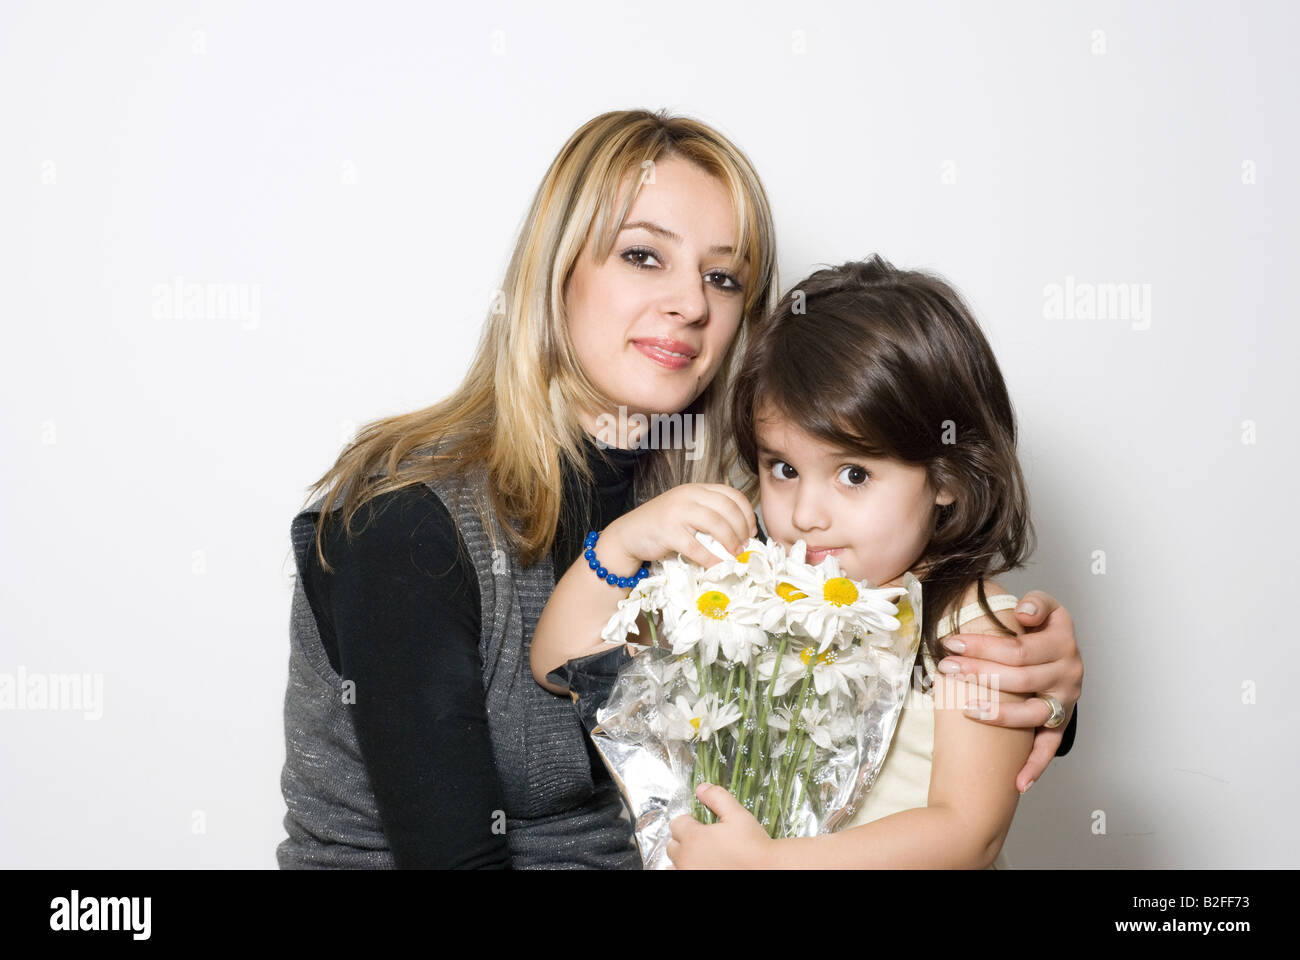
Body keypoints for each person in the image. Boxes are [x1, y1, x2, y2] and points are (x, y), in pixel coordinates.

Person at [277, 108, 1082, 869]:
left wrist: (1037, 689)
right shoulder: (407, 522)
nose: (691, 304)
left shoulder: (743, 516)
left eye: (725, 279)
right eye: (642, 256)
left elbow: (888, 671)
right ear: (557, 273)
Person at [531, 255, 1070, 868]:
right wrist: (623, 545)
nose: (808, 513)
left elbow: (968, 832)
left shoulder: (973, 630)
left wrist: (773, 864)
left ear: (946, 475)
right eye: (783, 469)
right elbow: (562, 666)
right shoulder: (749, 590)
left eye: (853, 474)